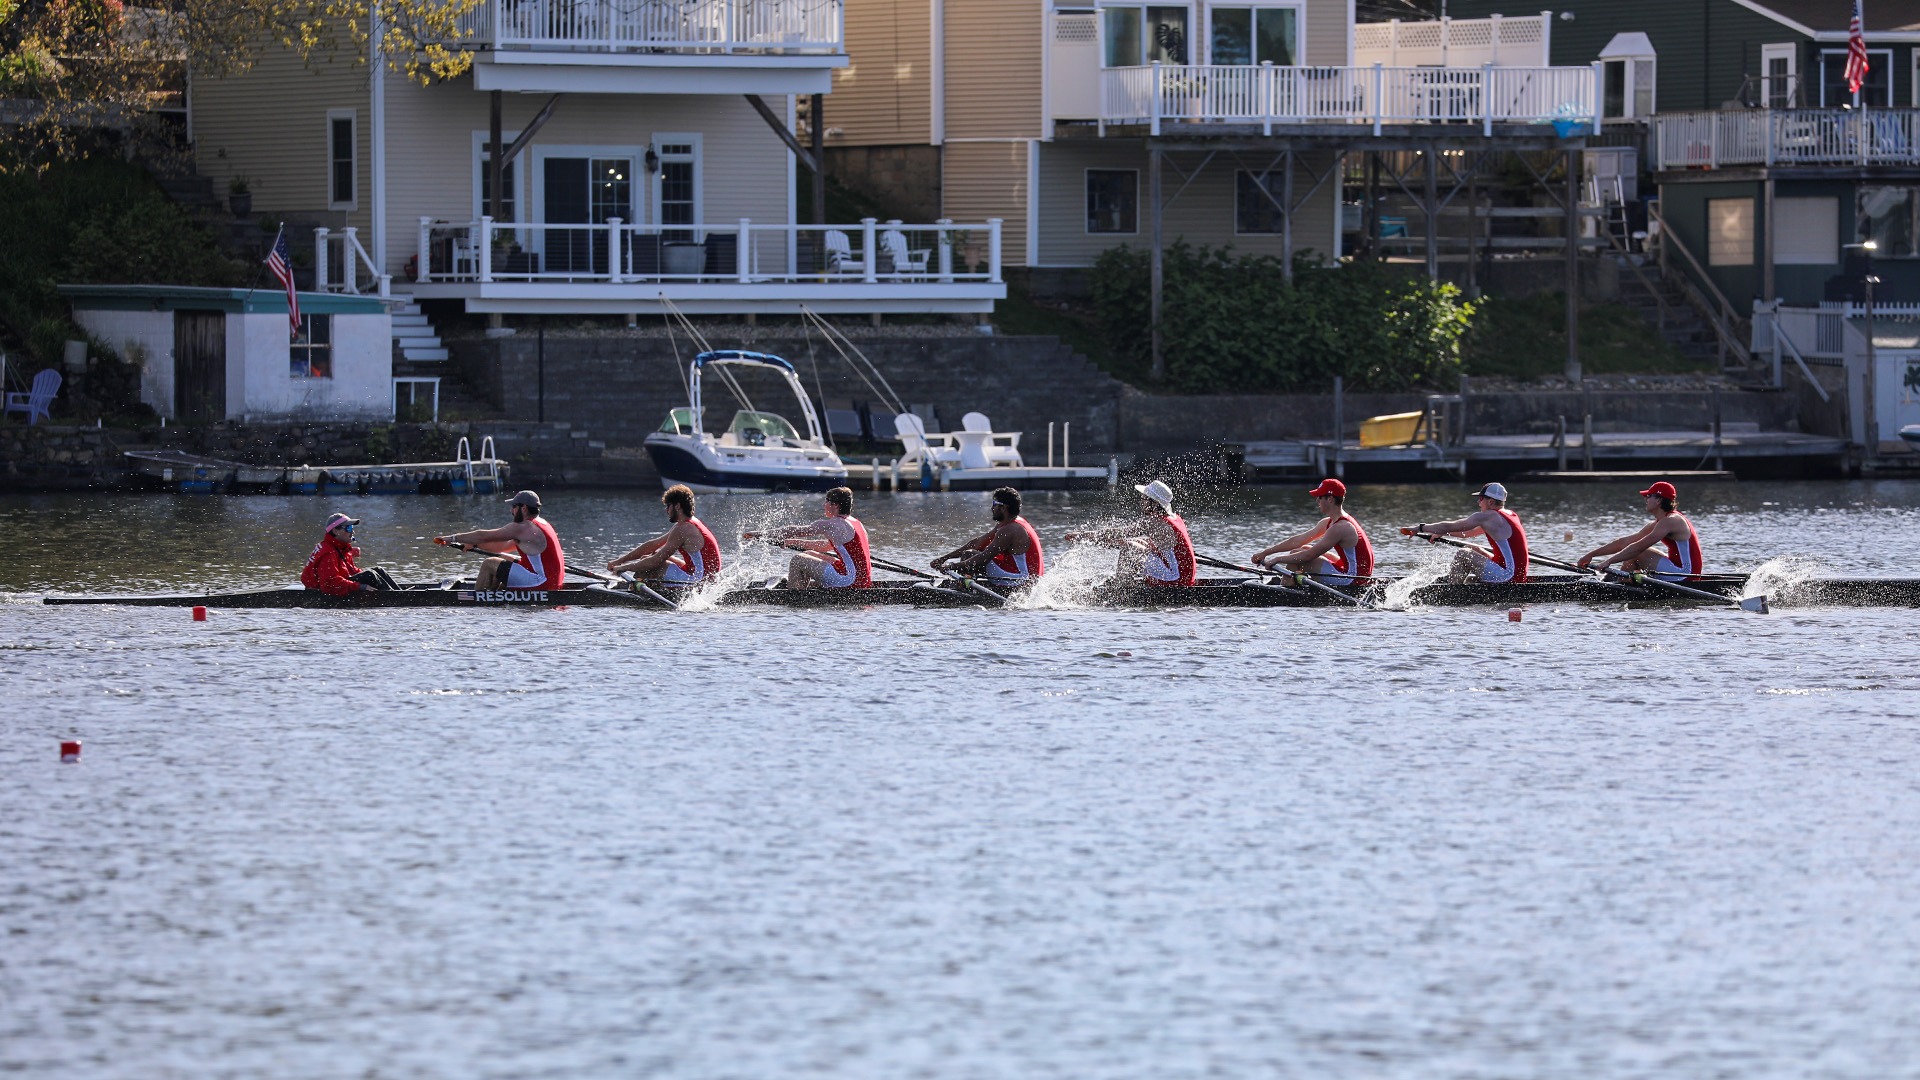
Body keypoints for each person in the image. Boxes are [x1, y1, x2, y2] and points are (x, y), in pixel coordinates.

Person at [1064, 479, 1196, 586]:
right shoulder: (1174, 517)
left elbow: (1118, 533)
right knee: (1137, 542)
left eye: (1145, 498)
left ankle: (1121, 587)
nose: (1141, 501)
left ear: (1155, 503)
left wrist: (1083, 535)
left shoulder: (1154, 522)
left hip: (1177, 578)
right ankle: (1127, 581)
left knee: (1130, 547)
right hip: (1184, 573)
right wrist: (1110, 542)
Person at [742, 486, 872, 590]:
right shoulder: (856, 523)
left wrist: (758, 534)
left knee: (798, 560)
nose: (824, 505)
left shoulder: (832, 524)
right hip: (862, 580)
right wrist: (791, 542)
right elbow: (824, 546)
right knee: (809, 554)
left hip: (849, 581)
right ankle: (801, 587)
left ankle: (795, 597)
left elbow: (792, 530)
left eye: (826, 501)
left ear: (835, 505)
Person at [1250, 477, 1374, 586]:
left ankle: (1285, 592)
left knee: (1301, 559)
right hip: (1348, 570)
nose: (1317, 501)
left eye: (1320, 497)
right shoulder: (1329, 522)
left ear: (1330, 499)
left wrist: (1277, 559)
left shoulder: (1340, 527)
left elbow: (1309, 556)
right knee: (1300, 549)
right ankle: (1291, 583)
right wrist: (1265, 552)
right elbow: (1297, 541)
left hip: (1353, 580)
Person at [435, 489, 565, 591]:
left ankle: (476, 600)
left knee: (489, 563)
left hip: (541, 583)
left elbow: (483, 536)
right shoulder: (542, 525)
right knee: (503, 558)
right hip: (552, 582)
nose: (511, 510)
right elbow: (502, 547)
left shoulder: (523, 527)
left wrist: (451, 538)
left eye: (514, 506)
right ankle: (494, 595)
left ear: (523, 508)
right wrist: (474, 544)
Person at [1577, 480, 1704, 581]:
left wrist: (1608, 562)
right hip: (1675, 569)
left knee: (1637, 552)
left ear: (1659, 500)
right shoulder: (1660, 522)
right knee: (1630, 548)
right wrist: (1590, 555)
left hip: (1686, 575)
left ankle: (1620, 586)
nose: (1646, 499)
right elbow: (1624, 542)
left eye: (1649, 496)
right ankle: (1623, 582)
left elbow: (1638, 547)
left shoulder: (1672, 520)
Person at [1404, 482, 1529, 584]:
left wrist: (1420, 528)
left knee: (1463, 554)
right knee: (1471, 548)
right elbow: (1467, 533)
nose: (1478, 503)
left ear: (1490, 502)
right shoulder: (1510, 515)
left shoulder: (1489, 517)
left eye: (1480, 499)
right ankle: (1456, 583)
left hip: (1509, 578)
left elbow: (1449, 526)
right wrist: (1442, 533)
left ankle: (1452, 593)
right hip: (1516, 574)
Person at [608, 484, 723, 585]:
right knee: (649, 556)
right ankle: (647, 587)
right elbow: (653, 545)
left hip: (698, 582)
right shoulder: (691, 523)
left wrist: (623, 567)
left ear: (677, 506)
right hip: (706, 579)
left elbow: (655, 562)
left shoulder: (683, 528)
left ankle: (635, 592)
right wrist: (620, 561)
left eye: (668, 506)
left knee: (654, 566)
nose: (666, 510)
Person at [931, 486, 1045, 583]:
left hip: (1022, 581)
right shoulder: (1009, 523)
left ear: (1004, 508)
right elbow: (977, 543)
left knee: (969, 556)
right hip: (1019, 575)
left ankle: (964, 587)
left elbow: (984, 557)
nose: (992, 508)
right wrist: (944, 558)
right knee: (970, 554)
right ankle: (967, 582)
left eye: (994, 504)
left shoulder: (1010, 529)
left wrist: (952, 566)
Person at [301, 513, 397, 596]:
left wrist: (371, 577)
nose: (352, 532)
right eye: (348, 528)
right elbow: (329, 584)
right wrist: (360, 587)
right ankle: (396, 597)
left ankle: (398, 593)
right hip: (320, 591)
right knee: (369, 575)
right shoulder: (328, 553)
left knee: (378, 570)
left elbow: (351, 571)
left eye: (352, 528)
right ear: (336, 531)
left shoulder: (340, 548)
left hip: (336, 583)